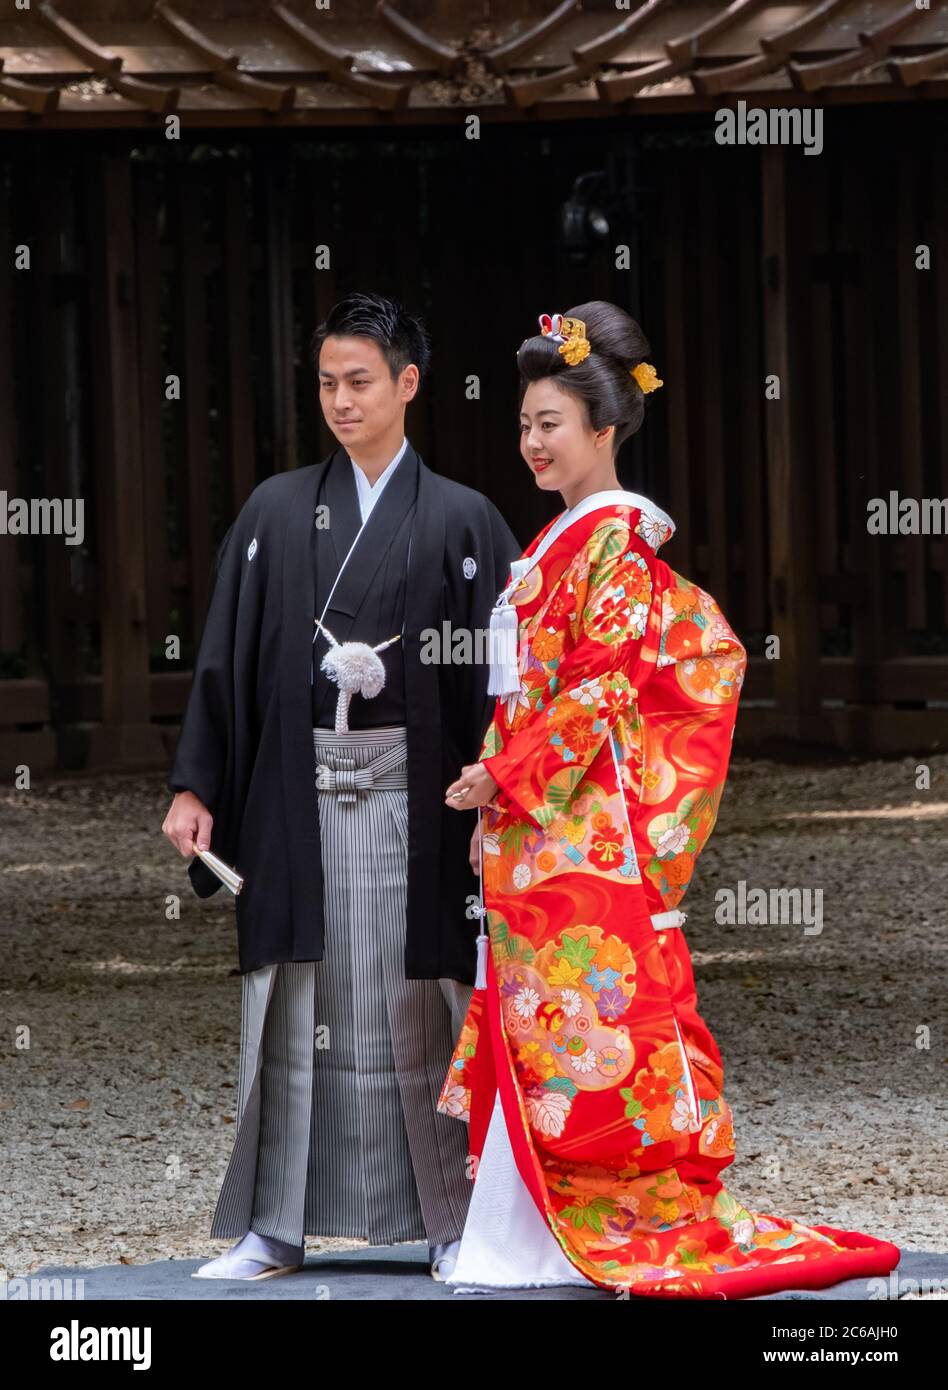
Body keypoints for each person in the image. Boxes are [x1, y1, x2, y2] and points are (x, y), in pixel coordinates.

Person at [438, 302, 901, 1297]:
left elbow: (600, 685)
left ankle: (579, 1226)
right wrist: (496, 780)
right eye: (524, 424)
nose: (531, 441)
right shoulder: (560, 543)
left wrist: (504, 773)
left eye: (550, 423)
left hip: (581, 833)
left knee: (589, 1025)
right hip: (534, 827)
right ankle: (517, 1234)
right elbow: (524, 689)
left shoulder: (617, 546)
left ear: (604, 429)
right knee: (537, 1021)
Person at [162, 292, 520, 1281]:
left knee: (422, 999)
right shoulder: (276, 512)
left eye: (360, 380)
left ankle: (452, 1222)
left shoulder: (464, 518)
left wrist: (501, 788)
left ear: (409, 384)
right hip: (296, 799)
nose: (341, 399)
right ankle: (274, 1226)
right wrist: (197, 783)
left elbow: (505, 681)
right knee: (292, 1000)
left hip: (419, 798)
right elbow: (226, 663)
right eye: (327, 382)